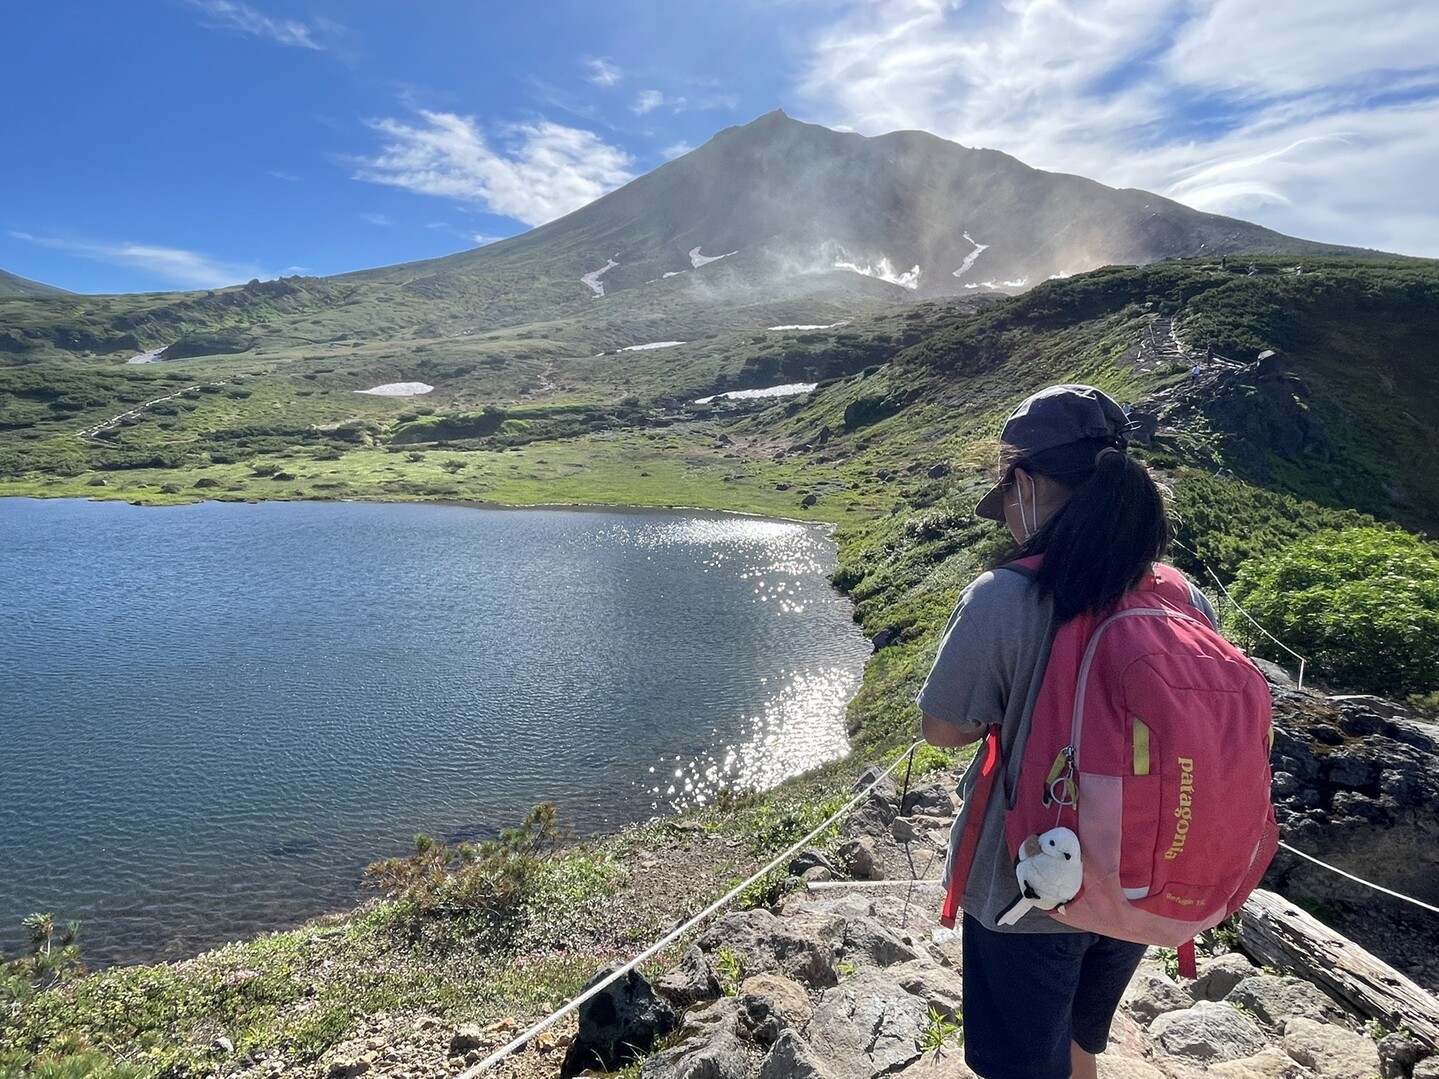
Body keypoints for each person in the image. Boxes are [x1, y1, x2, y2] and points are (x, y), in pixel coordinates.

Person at [917, 384, 1216, 1079]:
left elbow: (943, 729)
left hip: (1029, 884)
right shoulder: (1181, 593)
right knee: (1083, 1037)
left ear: (1023, 484)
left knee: (1021, 1064)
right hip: (1141, 875)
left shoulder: (1003, 596)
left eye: (1007, 496)